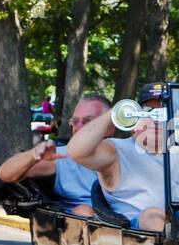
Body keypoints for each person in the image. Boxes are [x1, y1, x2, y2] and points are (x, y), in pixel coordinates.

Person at [68, 82, 167, 231]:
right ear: (136, 116)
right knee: (152, 216)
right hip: (134, 235)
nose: (156, 119)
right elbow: (77, 151)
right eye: (149, 111)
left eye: (164, 112)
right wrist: (117, 111)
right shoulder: (117, 150)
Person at [0, 93, 110, 215]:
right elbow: (4, 174)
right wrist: (33, 155)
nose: (79, 128)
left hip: (126, 224)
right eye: (75, 121)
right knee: (83, 211)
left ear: (110, 127)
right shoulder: (61, 156)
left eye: (88, 121)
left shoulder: (124, 152)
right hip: (81, 226)